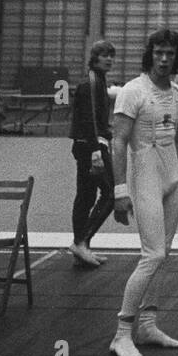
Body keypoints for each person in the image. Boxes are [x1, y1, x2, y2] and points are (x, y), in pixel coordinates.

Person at [109, 29, 178, 356]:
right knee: (153, 255)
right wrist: (119, 191)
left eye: (170, 53)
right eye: (158, 53)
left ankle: (147, 325)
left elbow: (177, 141)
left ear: (177, 57)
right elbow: (117, 141)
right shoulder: (133, 91)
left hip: (172, 180)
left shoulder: (176, 93)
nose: (164, 59)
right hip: (144, 179)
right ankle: (121, 334)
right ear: (150, 55)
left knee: (165, 254)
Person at [69, 39, 117, 268]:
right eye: (104, 55)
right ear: (95, 57)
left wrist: (106, 132)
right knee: (110, 193)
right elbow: (89, 118)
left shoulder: (97, 80)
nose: (109, 59)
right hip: (90, 146)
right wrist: (96, 150)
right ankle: (81, 242)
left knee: (86, 196)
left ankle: (81, 245)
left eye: (111, 55)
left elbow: (95, 117)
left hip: (87, 143)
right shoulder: (91, 82)